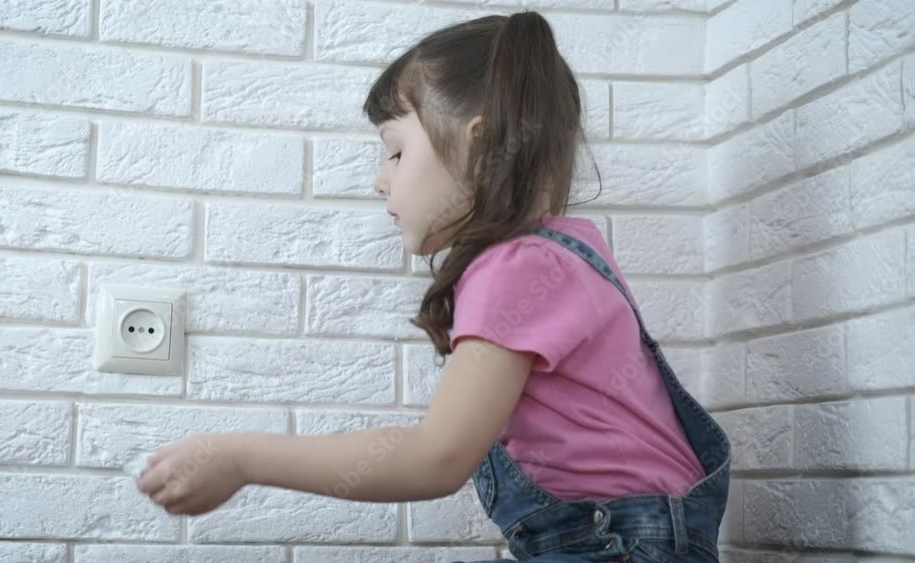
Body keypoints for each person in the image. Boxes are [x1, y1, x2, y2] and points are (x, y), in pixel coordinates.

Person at [136, 10, 731, 562]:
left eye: (395, 152)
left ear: (479, 145)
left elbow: (437, 457)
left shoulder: (518, 267)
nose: (380, 180)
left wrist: (242, 458)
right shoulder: (566, 252)